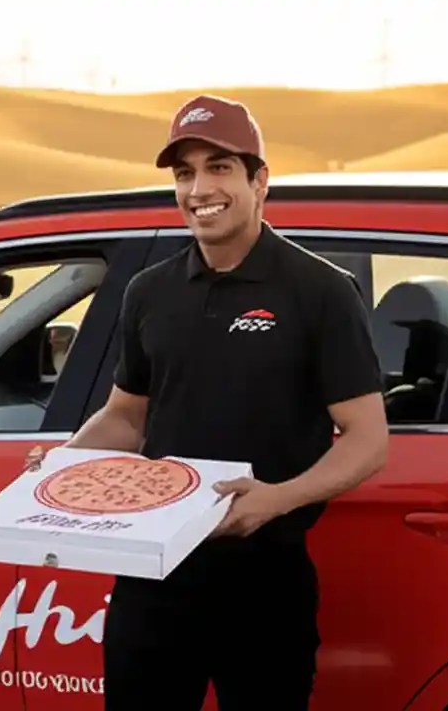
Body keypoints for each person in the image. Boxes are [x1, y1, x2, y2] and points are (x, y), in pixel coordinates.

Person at [65, 94, 390, 710]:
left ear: (259, 180)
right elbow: (126, 415)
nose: (198, 189)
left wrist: (276, 500)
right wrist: (61, 466)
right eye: (184, 173)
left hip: (265, 582)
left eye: (218, 168)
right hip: (154, 575)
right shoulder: (149, 291)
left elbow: (369, 439)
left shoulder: (320, 291)